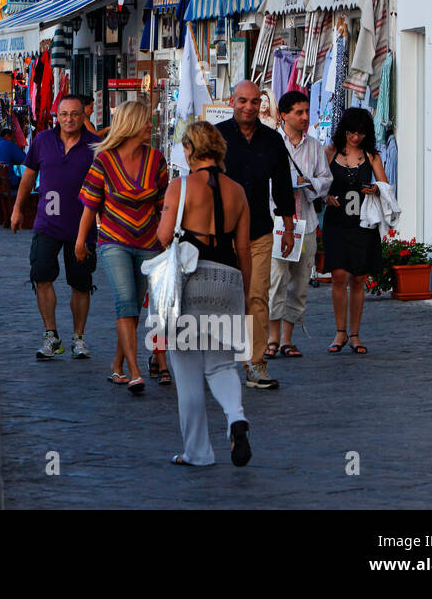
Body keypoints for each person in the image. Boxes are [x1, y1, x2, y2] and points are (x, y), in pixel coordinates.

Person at [155, 121, 253, 468]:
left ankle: (198, 452)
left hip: (190, 284)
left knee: (186, 370)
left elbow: (163, 237)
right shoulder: (238, 191)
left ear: (188, 150)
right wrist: (245, 291)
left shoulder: (179, 187)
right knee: (222, 364)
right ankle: (235, 417)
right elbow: (244, 249)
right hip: (228, 279)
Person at [76, 101, 169, 392]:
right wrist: (81, 240)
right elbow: (90, 206)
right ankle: (134, 370)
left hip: (150, 242)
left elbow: (162, 206)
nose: (150, 127)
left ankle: (117, 365)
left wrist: (166, 243)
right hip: (113, 241)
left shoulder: (157, 159)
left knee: (132, 309)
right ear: (132, 125)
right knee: (126, 301)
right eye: (145, 122)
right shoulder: (104, 160)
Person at [216, 80, 295, 390]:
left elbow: (284, 187)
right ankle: (217, 363)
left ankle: (256, 363)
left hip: (260, 231)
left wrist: (288, 227)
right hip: (222, 233)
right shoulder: (217, 136)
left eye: (254, 102)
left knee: (257, 296)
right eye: (242, 101)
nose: (249, 107)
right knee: (221, 298)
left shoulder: (273, 140)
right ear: (231, 101)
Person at [11, 94, 101, 360]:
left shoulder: (95, 145)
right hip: (47, 222)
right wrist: (17, 209)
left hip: (81, 225)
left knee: (81, 283)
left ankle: (78, 338)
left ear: (84, 115)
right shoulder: (42, 141)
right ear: (56, 116)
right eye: (63, 114)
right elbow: (28, 176)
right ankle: (51, 335)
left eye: (74, 114)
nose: (69, 119)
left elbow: (105, 184)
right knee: (41, 274)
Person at [266, 91, 333, 360]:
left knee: (300, 283)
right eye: (299, 112)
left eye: (307, 112)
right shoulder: (271, 144)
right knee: (276, 280)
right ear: (284, 115)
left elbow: (325, 180)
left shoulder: (314, 147)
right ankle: (271, 337)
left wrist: (310, 184)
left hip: (304, 223)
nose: (305, 117)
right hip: (278, 224)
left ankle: (287, 339)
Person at [324, 107, 388, 356]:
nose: (355, 138)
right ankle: (340, 332)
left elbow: (384, 185)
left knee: (359, 277)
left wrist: (375, 188)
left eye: (360, 133)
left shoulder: (372, 156)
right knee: (339, 275)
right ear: (344, 131)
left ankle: (355, 334)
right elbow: (318, 181)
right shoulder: (330, 152)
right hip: (337, 222)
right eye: (351, 132)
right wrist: (326, 196)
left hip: (363, 224)